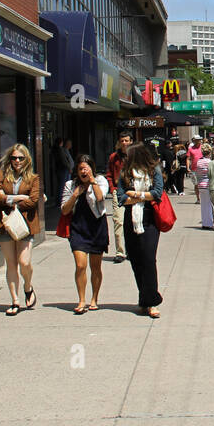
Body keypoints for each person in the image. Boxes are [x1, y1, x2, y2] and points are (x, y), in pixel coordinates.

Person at [0, 143, 41, 316]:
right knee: (11, 263)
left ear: (26, 159)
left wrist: (8, 199)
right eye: (14, 158)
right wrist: (17, 198)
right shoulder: (2, 174)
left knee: (24, 262)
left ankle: (28, 286)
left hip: (26, 224)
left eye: (20, 158)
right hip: (5, 224)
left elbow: (33, 200)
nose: (17, 161)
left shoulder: (33, 177)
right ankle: (15, 301)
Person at [117, 143, 166, 318]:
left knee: (148, 259)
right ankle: (144, 298)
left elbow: (157, 193)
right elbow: (121, 197)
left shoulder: (154, 171)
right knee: (136, 260)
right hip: (131, 220)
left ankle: (152, 301)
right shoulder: (125, 173)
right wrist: (143, 195)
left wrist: (135, 195)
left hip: (149, 219)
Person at [62, 155, 110, 313]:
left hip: (97, 227)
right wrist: (75, 194)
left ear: (92, 168)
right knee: (80, 265)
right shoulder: (70, 185)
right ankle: (81, 300)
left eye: (86, 168)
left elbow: (99, 197)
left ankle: (94, 298)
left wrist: (92, 181)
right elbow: (64, 210)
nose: (83, 171)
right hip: (78, 228)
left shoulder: (101, 180)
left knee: (95, 266)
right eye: (80, 168)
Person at [105, 131, 132, 263]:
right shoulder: (114, 157)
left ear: (131, 141)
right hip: (118, 191)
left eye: (126, 140)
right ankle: (120, 252)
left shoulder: (135, 156)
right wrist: (112, 188)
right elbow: (109, 173)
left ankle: (131, 250)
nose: (124, 143)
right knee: (118, 221)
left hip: (133, 191)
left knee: (133, 221)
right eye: (122, 141)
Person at [196, 141, 214, 229]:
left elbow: (198, 173)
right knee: (209, 205)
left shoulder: (199, 162)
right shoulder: (210, 162)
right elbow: (211, 174)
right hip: (208, 184)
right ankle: (209, 223)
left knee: (203, 205)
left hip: (200, 185)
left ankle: (204, 222)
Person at [187, 137, 204, 204]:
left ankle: (203, 198)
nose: (198, 142)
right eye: (197, 140)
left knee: (203, 184)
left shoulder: (203, 148)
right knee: (196, 184)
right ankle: (198, 198)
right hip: (194, 169)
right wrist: (188, 167)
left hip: (202, 168)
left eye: (199, 140)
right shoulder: (191, 149)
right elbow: (188, 158)